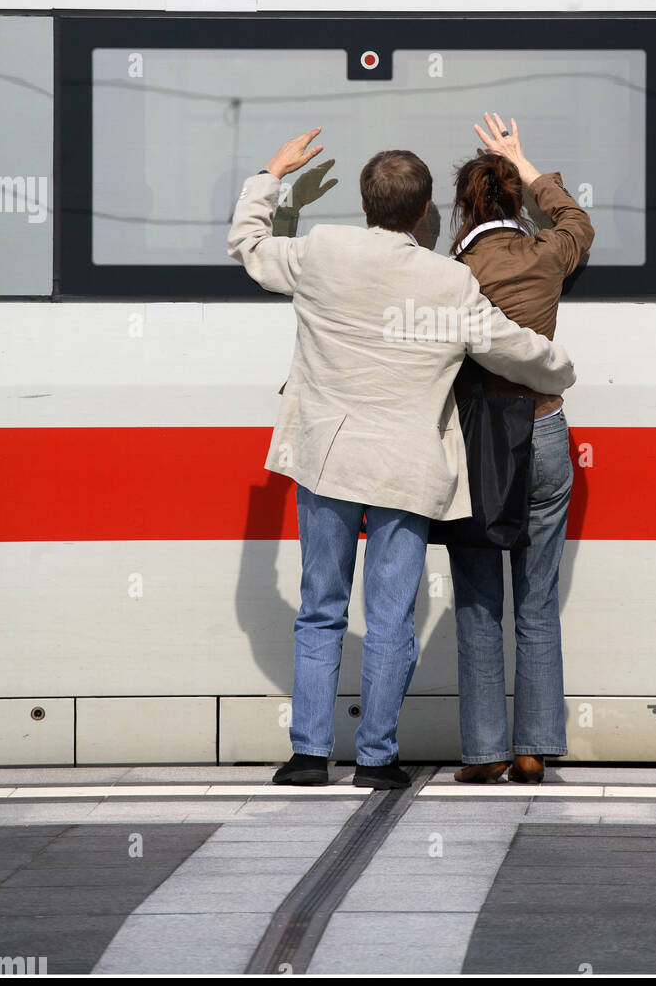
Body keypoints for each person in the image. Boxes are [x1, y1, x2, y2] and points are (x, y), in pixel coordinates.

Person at [227, 128, 576, 789]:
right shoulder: (447, 280)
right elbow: (511, 347)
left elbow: (247, 246)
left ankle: (307, 755)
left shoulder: (321, 251)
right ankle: (376, 760)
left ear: (365, 203)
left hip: (327, 459)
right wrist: (560, 367)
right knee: (391, 614)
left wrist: (271, 174)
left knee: (319, 605)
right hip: (406, 467)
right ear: (422, 214)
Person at [447, 112, 595, 784]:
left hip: (477, 441)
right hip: (543, 431)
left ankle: (483, 751)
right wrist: (526, 163)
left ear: (462, 208)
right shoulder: (545, 256)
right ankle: (534, 747)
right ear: (513, 204)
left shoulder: (452, 275)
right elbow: (576, 222)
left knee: (477, 599)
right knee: (536, 599)